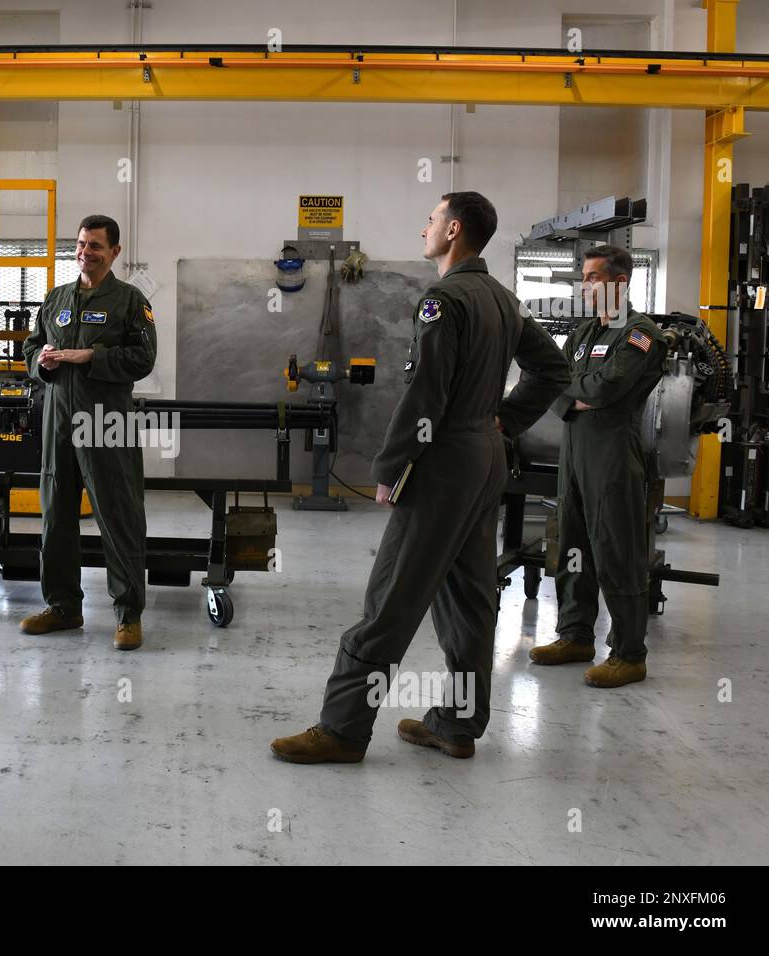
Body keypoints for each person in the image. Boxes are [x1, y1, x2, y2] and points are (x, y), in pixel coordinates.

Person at [271, 191, 571, 764]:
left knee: (392, 597)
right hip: (486, 458)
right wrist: (501, 421)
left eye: (432, 219)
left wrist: (391, 466)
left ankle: (341, 728)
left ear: (454, 230)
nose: (424, 228)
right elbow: (553, 368)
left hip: (442, 465)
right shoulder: (504, 300)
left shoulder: (444, 299)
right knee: (470, 598)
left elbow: (425, 393)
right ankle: (458, 725)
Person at [529, 244, 666, 687]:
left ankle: (629, 653)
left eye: (592, 278)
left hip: (611, 454)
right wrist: (575, 395)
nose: (585, 286)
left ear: (620, 282)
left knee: (616, 550)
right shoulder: (584, 333)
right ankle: (575, 635)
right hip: (574, 452)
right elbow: (558, 386)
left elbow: (605, 390)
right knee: (571, 544)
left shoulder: (641, 333)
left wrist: (576, 392)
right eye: (583, 279)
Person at [18, 214, 157, 650]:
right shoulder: (56, 298)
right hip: (58, 419)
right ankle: (63, 608)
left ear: (114, 252)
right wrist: (38, 361)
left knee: (118, 516)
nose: (85, 252)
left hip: (105, 421)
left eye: (95, 245)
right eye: (80, 244)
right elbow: (30, 346)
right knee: (56, 516)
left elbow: (142, 358)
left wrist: (90, 357)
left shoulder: (130, 301)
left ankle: (128, 614)